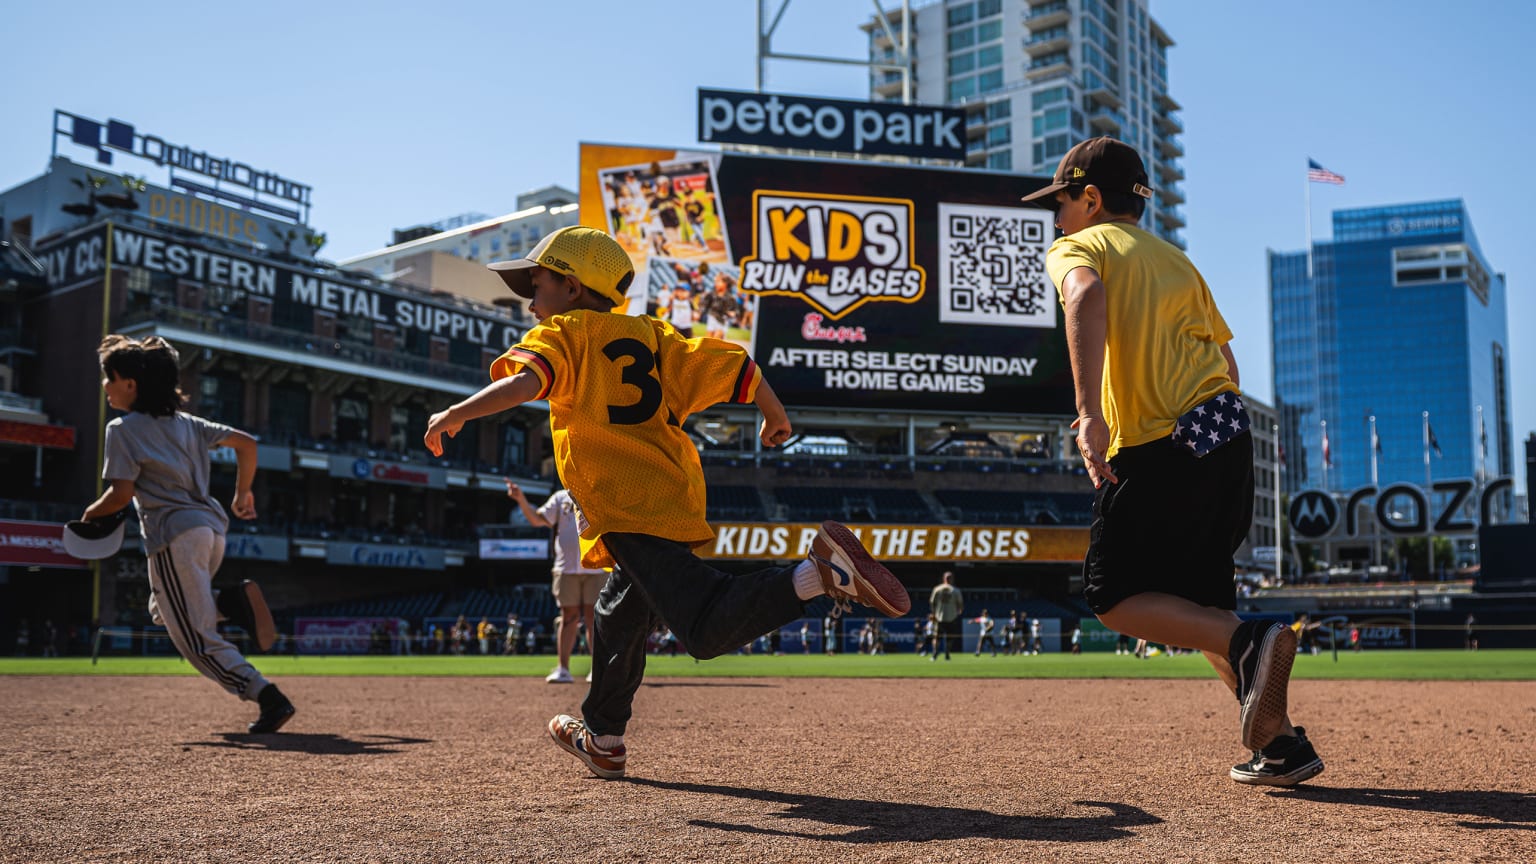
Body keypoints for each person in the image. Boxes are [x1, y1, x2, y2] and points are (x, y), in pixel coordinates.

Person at [424, 226, 910, 780]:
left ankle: (816, 574)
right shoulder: (656, 335)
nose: (530, 301)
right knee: (614, 616)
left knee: (703, 627)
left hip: (625, 502)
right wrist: (776, 416)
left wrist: (458, 412)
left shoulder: (566, 331)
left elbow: (525, 384)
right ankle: (603, 737)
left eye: (536, 284)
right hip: (672, 494)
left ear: (573, 287)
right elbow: (739, 368)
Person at [1024, 137, 1319, 787]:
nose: (1056, 217)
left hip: (1158, 438)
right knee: (1208, 607)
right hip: (1225, 428)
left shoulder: (1079, 247)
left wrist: (1089, 413)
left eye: (1062, 202)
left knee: (1112, 596)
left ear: (1092, 199)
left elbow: (1084, 299)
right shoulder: (1178, 261)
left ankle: (1254, 642)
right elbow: (1228, 365)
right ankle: (1283, 746)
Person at [82, 334, 293, 734]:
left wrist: (89, 514)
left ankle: (267, 696)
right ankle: (231, 601)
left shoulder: (122, 429)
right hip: (211, 531)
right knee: (165, 612)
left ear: (130, 384)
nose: (106, 387)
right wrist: (242, 492)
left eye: (109, 378)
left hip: (172, 536)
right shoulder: (190, 424)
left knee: (195, 640)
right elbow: (247, 444)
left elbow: (121, 494)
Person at [507, 480, 607, 684]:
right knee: (568, 616)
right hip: (566, 567)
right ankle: (563, 669)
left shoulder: (600, 493)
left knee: (592, 618)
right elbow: (537, 520)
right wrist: (521, 499)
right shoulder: (561, 497)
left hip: (595, 565)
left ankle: (598, 670)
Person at [928, 571, 963, 661]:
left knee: (939, 637)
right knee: (946, 637)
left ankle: (938, 654)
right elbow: (960, 604)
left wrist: (933, 612)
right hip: (949, 617)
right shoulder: (955, 590)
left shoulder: (937, 589)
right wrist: (960, 610)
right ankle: (942, 653)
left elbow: (932, 602)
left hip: (941, 616)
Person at [696, 273, 742, 340]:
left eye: (718, 282)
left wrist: (733, 313)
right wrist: (699, 312)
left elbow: (736, 311)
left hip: (722, 320)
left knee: (716, 338)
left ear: (725, 284)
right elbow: (704, 304)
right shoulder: (711, 294)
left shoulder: (730, 298)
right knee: (708, 339)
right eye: (715, 282)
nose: (716, 284)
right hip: (712, 318)